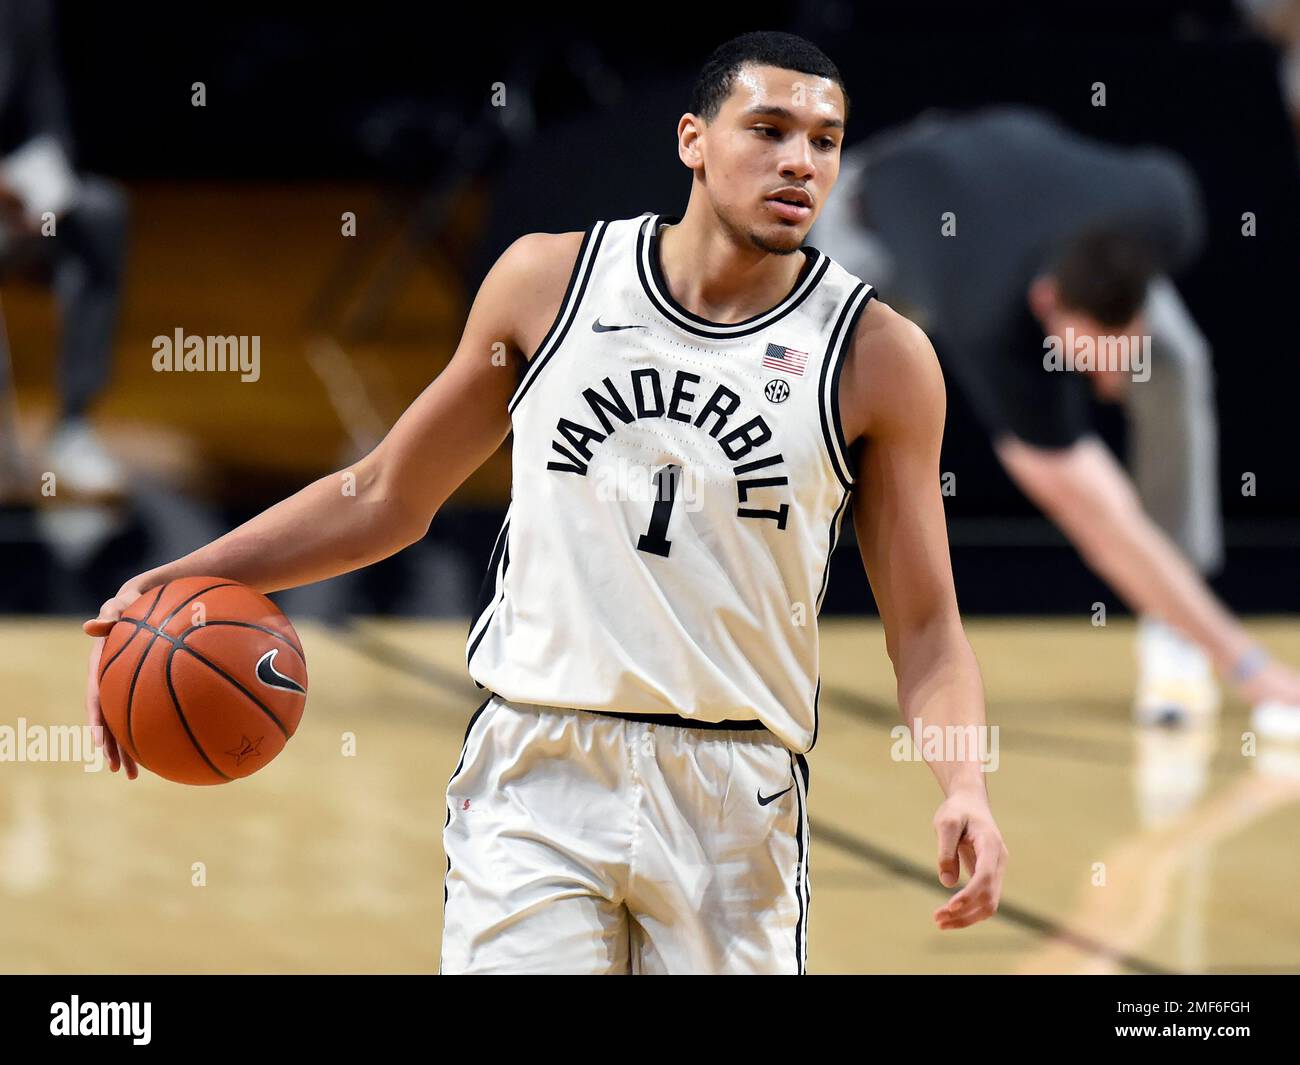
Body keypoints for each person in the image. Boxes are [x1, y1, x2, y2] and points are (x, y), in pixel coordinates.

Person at [84, 31, 1008, 974]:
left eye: (825, 139)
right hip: (537, 767)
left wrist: (964, 784)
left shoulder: (878, 356)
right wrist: (177, 581)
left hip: (737, 798)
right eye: (768, 129)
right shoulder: (551, 283)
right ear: (692, 139)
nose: (798, 162)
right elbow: (387, 495)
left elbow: (927, 624)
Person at [809, 106, 1300, 737]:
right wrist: (1250, 664)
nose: (1109, 385)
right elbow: (1094, 516)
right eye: (1094, 362)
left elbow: (1127, 321)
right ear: (1045, 307)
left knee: (1176, 360)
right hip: (873, 212)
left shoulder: (1164, 208)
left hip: (1002, 169)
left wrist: (1119, 353)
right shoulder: (984, 310)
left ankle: (1172, 625)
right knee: (815, 392)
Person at [0, 0, 129, 498]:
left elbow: (45, 114)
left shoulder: (26, 8)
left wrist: (48, 189)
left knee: (102, 212)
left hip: (15, 203)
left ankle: (73, 426)